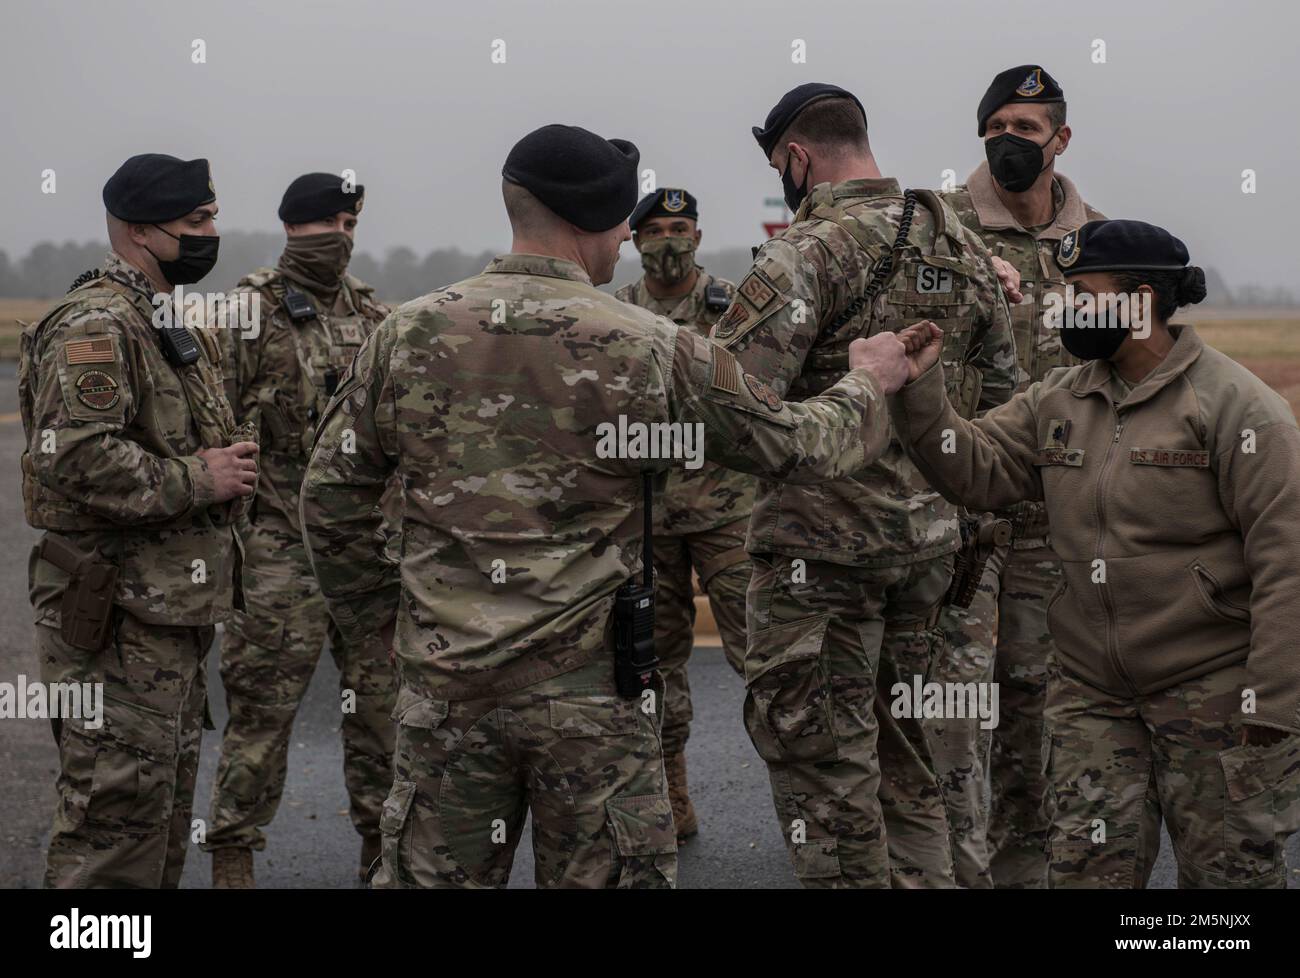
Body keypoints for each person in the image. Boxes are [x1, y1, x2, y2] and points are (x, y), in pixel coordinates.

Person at [299, 123, 913, 889]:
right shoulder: (648, 344)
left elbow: (329, 497)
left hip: (445, 696)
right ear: (590, 219)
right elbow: (794, 444)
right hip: (594, 709)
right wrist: (868, 380)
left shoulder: (406, 334)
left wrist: (386, 622)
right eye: (625, 220)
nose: (630, 238)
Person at [891, 219, 1300, 888]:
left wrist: (1275, 708)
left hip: (1214, 695)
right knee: (1086, 871)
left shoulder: (1239, 409)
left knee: (1230, 881)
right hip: (1092, 695)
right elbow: (973, 471)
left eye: (1081, 293)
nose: (1064, 308)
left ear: (1139, 300)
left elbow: (1288, 562)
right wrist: (920, 391)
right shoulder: (1061, 397)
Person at [712, 82, 1017, 888]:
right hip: (929, 557)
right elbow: (1004, 396)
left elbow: (734, 410)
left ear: (798, 157)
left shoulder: (805, 254)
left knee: (826, 775)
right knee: (912, 765)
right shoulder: (959, 244)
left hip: (821, 569)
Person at [19, 153, 257, 887]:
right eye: (195, 222)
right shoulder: (96, 324)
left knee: (151, 831)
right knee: (111, 834)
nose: (210, 233)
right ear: (137, 230)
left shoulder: (159, 320)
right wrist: (200, 476)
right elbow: (76, 456)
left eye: (211, 216)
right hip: (116, 620)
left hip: (163, 619)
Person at [931, 64, 1105, 888]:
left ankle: (1022, 873)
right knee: (957, 709)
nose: (1008, 141)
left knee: (1035, 700)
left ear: (1060, 141)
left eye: (1026, 129)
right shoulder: (940, 233)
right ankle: (954, 875)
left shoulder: (1099, 245)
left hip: (1054, 516)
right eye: (995, 126)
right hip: (961, 513)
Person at [204, 173, 396, 888]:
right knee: (262, 709)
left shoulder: (376, 316)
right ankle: (231, 854)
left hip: (366, 547)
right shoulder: (243, 314)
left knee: (382, 710)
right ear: (292, 227)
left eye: (349, 223)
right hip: (279, 544)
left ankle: (382, 852)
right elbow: (208, 427)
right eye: (327, 223)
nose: (340, 236)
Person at [615, 187, 746, 839]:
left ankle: (811, 795)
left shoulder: (736, 306)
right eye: (657, 229)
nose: (670, 239)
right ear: (635, 241)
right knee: (654, 661)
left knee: (770, 653)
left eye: (682, 226)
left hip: (730, 510)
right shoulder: (615, 313)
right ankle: (669, 791)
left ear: (698, 233)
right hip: (650, 517)